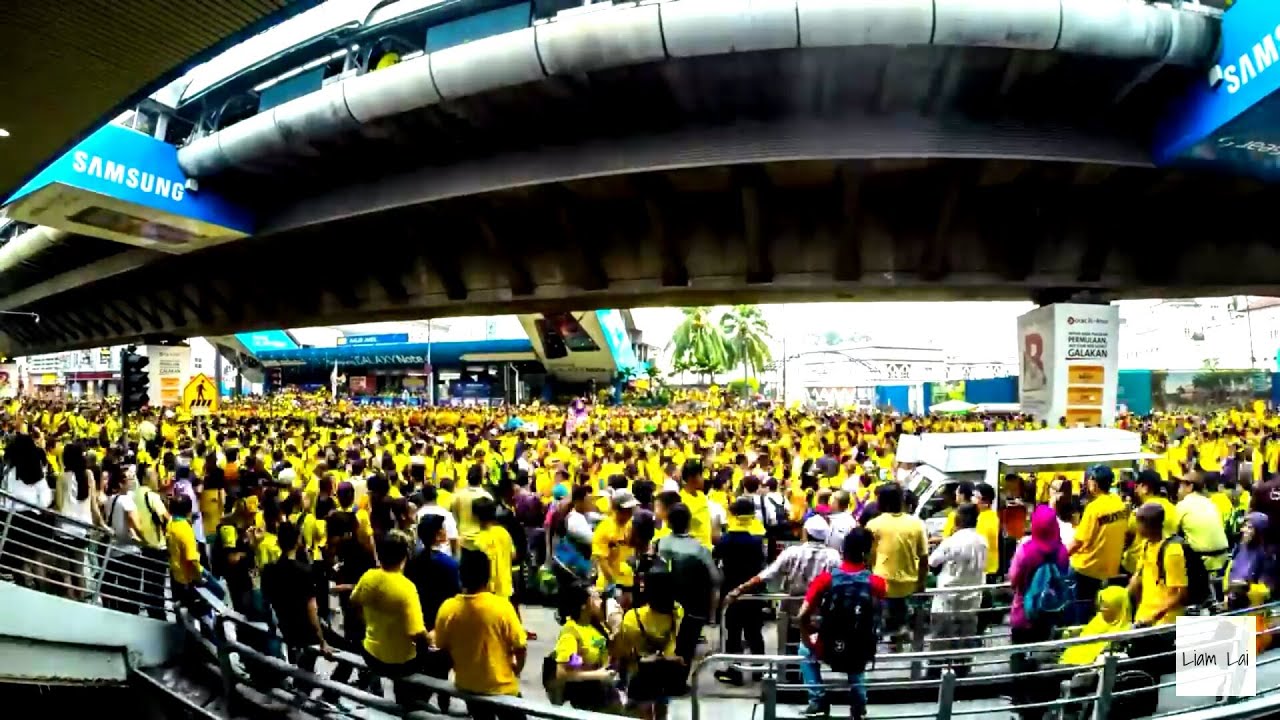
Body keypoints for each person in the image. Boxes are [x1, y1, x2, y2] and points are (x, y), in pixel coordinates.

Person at [797, 528, 885, 720]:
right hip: (860, 647)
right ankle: (859, 707)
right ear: (868, 552)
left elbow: (802, 614)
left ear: (843, 550)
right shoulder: (877, 583)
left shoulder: (825, 580)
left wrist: (807, 637)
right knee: (857, 665)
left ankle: (817, 701)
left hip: (827, 645)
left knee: (804, 652)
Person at [433, 548, 528, 720]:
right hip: (502, 687)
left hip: (467, 685)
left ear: (461, 576)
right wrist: (517, 669)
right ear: (488, 575)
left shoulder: (448, 608)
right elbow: (520, 647)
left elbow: (441, 646)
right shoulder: (502, 607)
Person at [350, 530, 429, 703]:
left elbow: (354, 602)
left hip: (370, 653)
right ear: (405, 557)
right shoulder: (406, 587)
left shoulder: (368, 576)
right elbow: (416, 633)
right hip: (399, 662)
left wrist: (368, 624)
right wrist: (429, 644)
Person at [652, 502, 719, 670]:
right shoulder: (700, 550)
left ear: (668, 522)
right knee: (686, 649)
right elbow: (715, 580)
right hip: (693, 608)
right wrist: (712, 615)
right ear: (689, 523)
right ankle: (680, 683)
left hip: (662, 606)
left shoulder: (659, 544)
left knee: (661, 646)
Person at [864, 483, 928, 645]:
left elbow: (867, 557)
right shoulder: (917, 524)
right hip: (909, 585)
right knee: (901, 624)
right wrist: (921, 583)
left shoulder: (874, 525)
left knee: (880, 626)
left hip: (882, 585)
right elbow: (924, 557)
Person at [714, 496, 768, 685]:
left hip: (732, 592)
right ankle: (758, 670)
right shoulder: (756, 540)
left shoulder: (726, 540)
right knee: (755, 632)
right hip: (753, 591)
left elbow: (716, 559)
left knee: (734, 633)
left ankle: (734, 672)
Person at [927, 503, 987, 673]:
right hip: (972, 596)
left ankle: (935, 673)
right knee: (966, 637)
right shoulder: (982, 541)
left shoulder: (952, 541)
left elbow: (933, 562)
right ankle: (963, 673)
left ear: (958, 520)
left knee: (941, 639)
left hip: (948, 597)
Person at [261, 520, 330, 666]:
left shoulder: (268, 570)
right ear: (298, 540)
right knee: (349, 649)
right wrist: (322, 640)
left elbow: (266, 601)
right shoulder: (304, 571)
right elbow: (311, 609)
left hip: (285, 627)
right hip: (305, 631)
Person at [1066, 466, 1128, 624]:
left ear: (1094, 483)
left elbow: (1078, 542)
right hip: (1110, 568)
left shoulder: (1093, 509)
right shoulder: (1119, 503)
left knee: (1078, 607)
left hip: (1087, 568)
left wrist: (1059, 555)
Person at [552, 582, 621, 712]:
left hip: (606, 692)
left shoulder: (597, 624)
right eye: (596, 597)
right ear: (583, 605)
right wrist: (597, 675)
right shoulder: (572, 632)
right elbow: (563, 673)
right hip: (587, 699)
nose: (601, 601)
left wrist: (616, 629)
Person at [1059, 585, 1132, 666]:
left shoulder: (1121, 632)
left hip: (1081, 666)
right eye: (1101, 604)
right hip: (1067, 656)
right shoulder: (1099, 619)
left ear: (1116, 607)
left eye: (1105, 605)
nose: (1100, 609)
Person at [1175, 474, 1230, 574]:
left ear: (1190, 487)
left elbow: (1171, 530)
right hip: (1223, 557)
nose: (1178, 490)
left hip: (1202, 560)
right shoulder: (1211, 503)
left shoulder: (1183, 505)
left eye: (1180, 486)